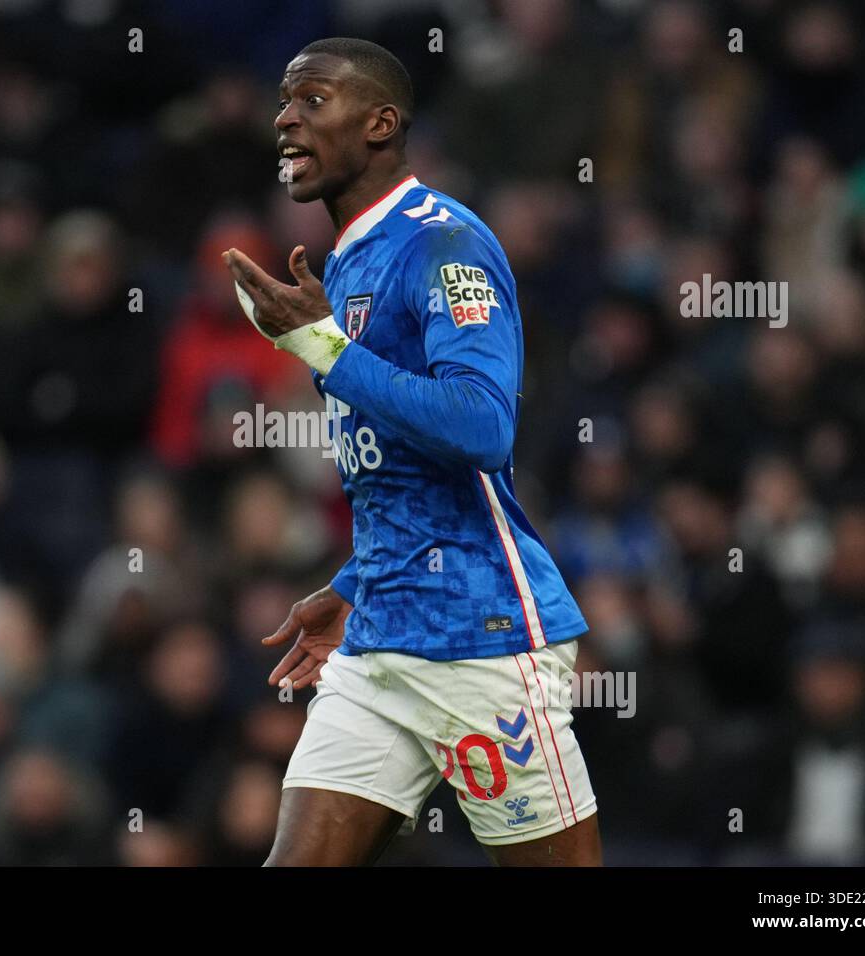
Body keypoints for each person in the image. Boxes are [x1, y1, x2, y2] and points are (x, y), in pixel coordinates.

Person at [224, 38, 601, 866]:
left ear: (381, 123)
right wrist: (357, 581)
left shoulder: (445, 244)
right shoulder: (350, 255)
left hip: (483, 638)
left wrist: (325, 351)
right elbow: (400, 471)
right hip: (380, 638)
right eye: (285, 101)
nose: (285, 117)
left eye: (313, 100)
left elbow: (481, 428)